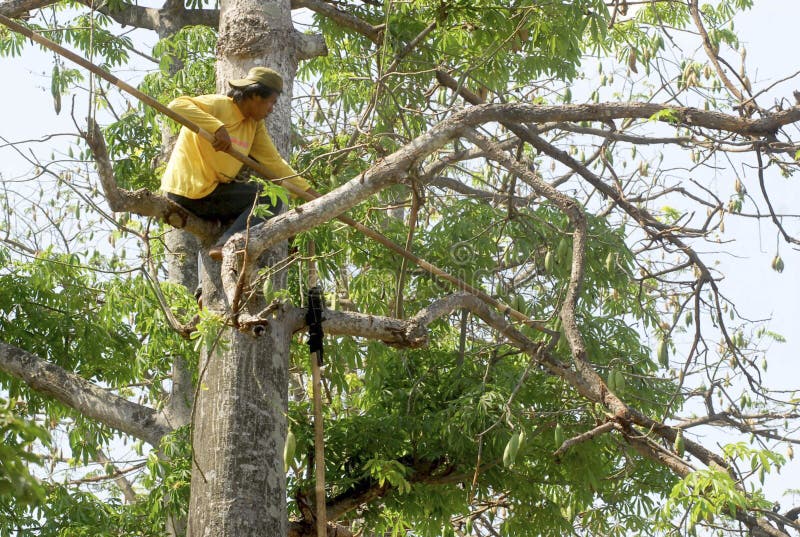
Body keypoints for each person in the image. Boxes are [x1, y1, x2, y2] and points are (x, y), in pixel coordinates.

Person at [160, 66, 310, 260]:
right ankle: (227, 244)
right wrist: (217, 127)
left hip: (212, 195)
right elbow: (176, 105)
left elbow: (274, 163)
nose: (271, 109)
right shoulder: (220, 105)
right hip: (188, 192)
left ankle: (231, 240)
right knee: (268, 197)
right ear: (255, 95)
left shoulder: (254, 125)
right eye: (271, 102)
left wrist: (310, 193)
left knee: (271, 196)